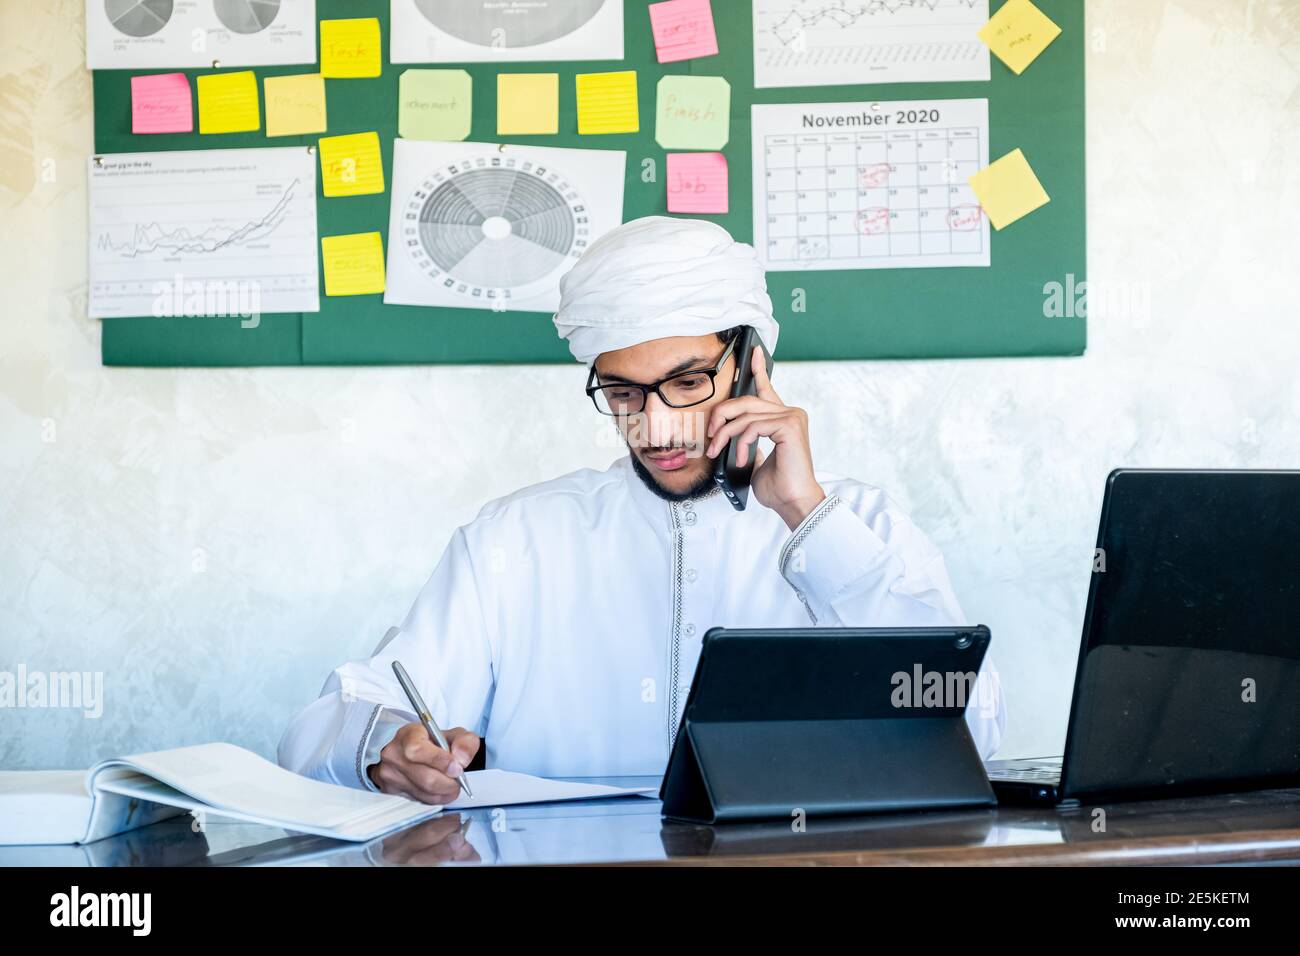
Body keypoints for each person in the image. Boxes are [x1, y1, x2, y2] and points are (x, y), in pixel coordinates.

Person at [278, 216, 1004, 804]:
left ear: (755, 365)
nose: (653, 428)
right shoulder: (515, 540)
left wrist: (808, 520)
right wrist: (385, 746)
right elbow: (324, 725)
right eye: (623, 393)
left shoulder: (859, 524)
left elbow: (977, 728)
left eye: (687, 382)